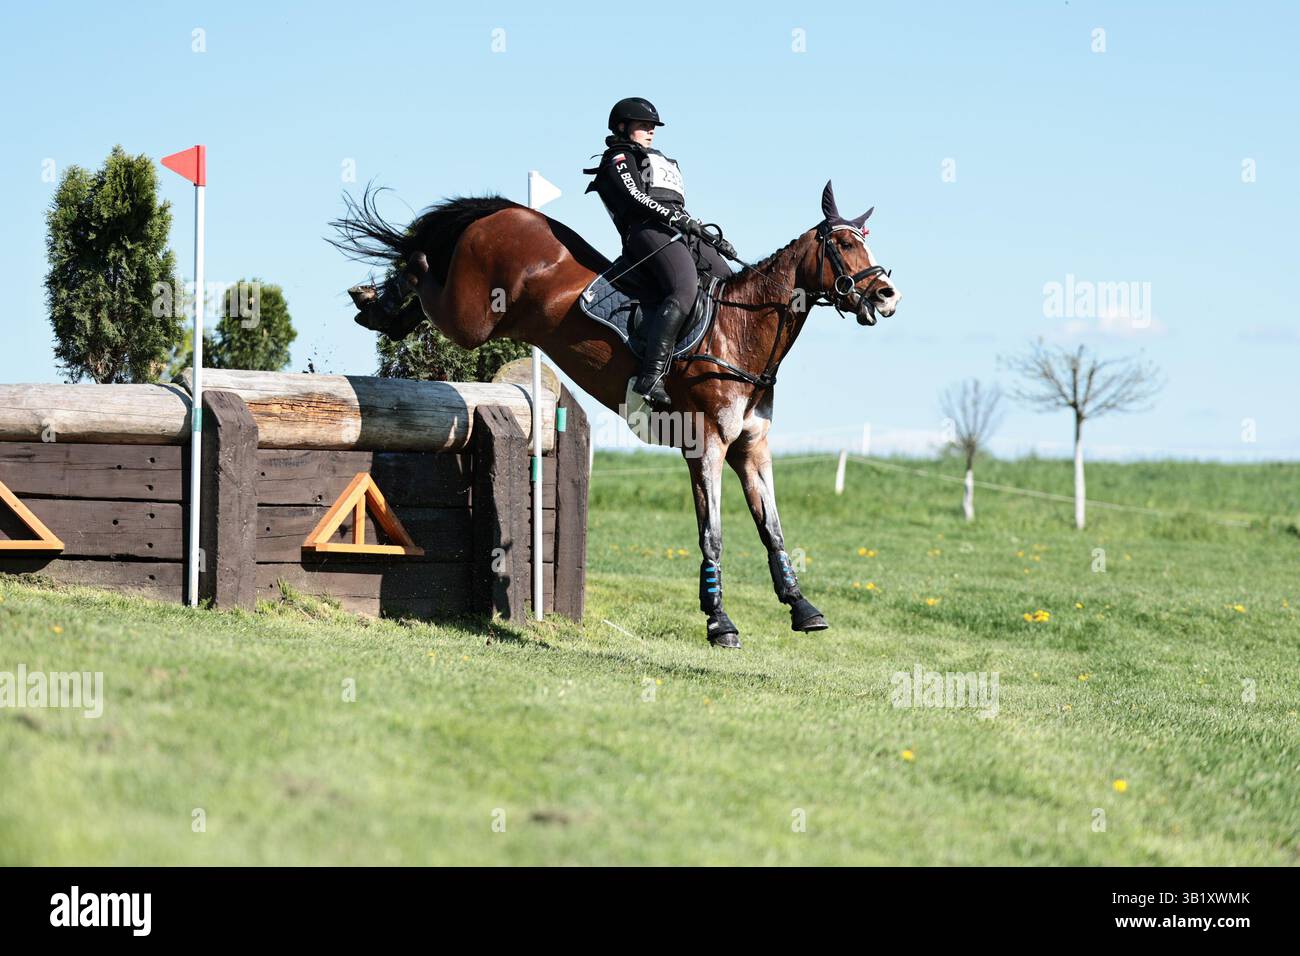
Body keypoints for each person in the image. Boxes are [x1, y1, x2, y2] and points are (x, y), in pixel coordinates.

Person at [584, 97, 736, 410]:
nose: (650, 131)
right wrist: (673, 219)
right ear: (623, 127)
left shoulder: (661, 159)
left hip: (676, 228)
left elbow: (675, 205)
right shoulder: (619, 156)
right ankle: (651, 375)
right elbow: (635, 196)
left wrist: (703, 233)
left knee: (729, 282)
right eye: (643, 126)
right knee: (684, 287)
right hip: (646, 231)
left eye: (652, 127)